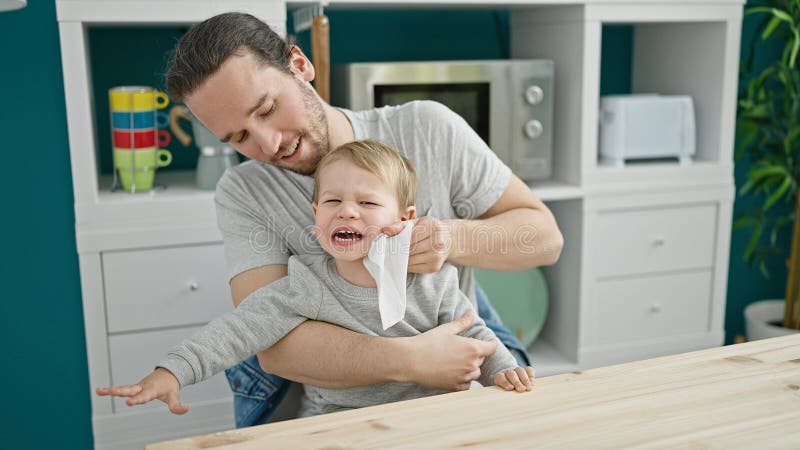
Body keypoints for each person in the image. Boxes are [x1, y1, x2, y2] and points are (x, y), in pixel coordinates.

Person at [162, 12, 563, 426]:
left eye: (267, 110)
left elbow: (547, 239)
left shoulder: (427, 128)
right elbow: (274, 345)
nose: (269, 144)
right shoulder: (245, 191)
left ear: (299, 65)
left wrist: (451, 239)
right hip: (335, 397)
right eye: (239, 138)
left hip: (455, 343)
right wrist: (412, 360)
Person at [96, 140, 536, 417]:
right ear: (315, 216)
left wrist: (502, 369)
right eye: (332, 201)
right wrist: (172, 371)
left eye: (367, 202)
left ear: (405, 219)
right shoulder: (304, 284)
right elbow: (235, 331)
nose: (347, 211)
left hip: (425, 421)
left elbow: (473, 331)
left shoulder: (433, 279)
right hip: (336, 425)